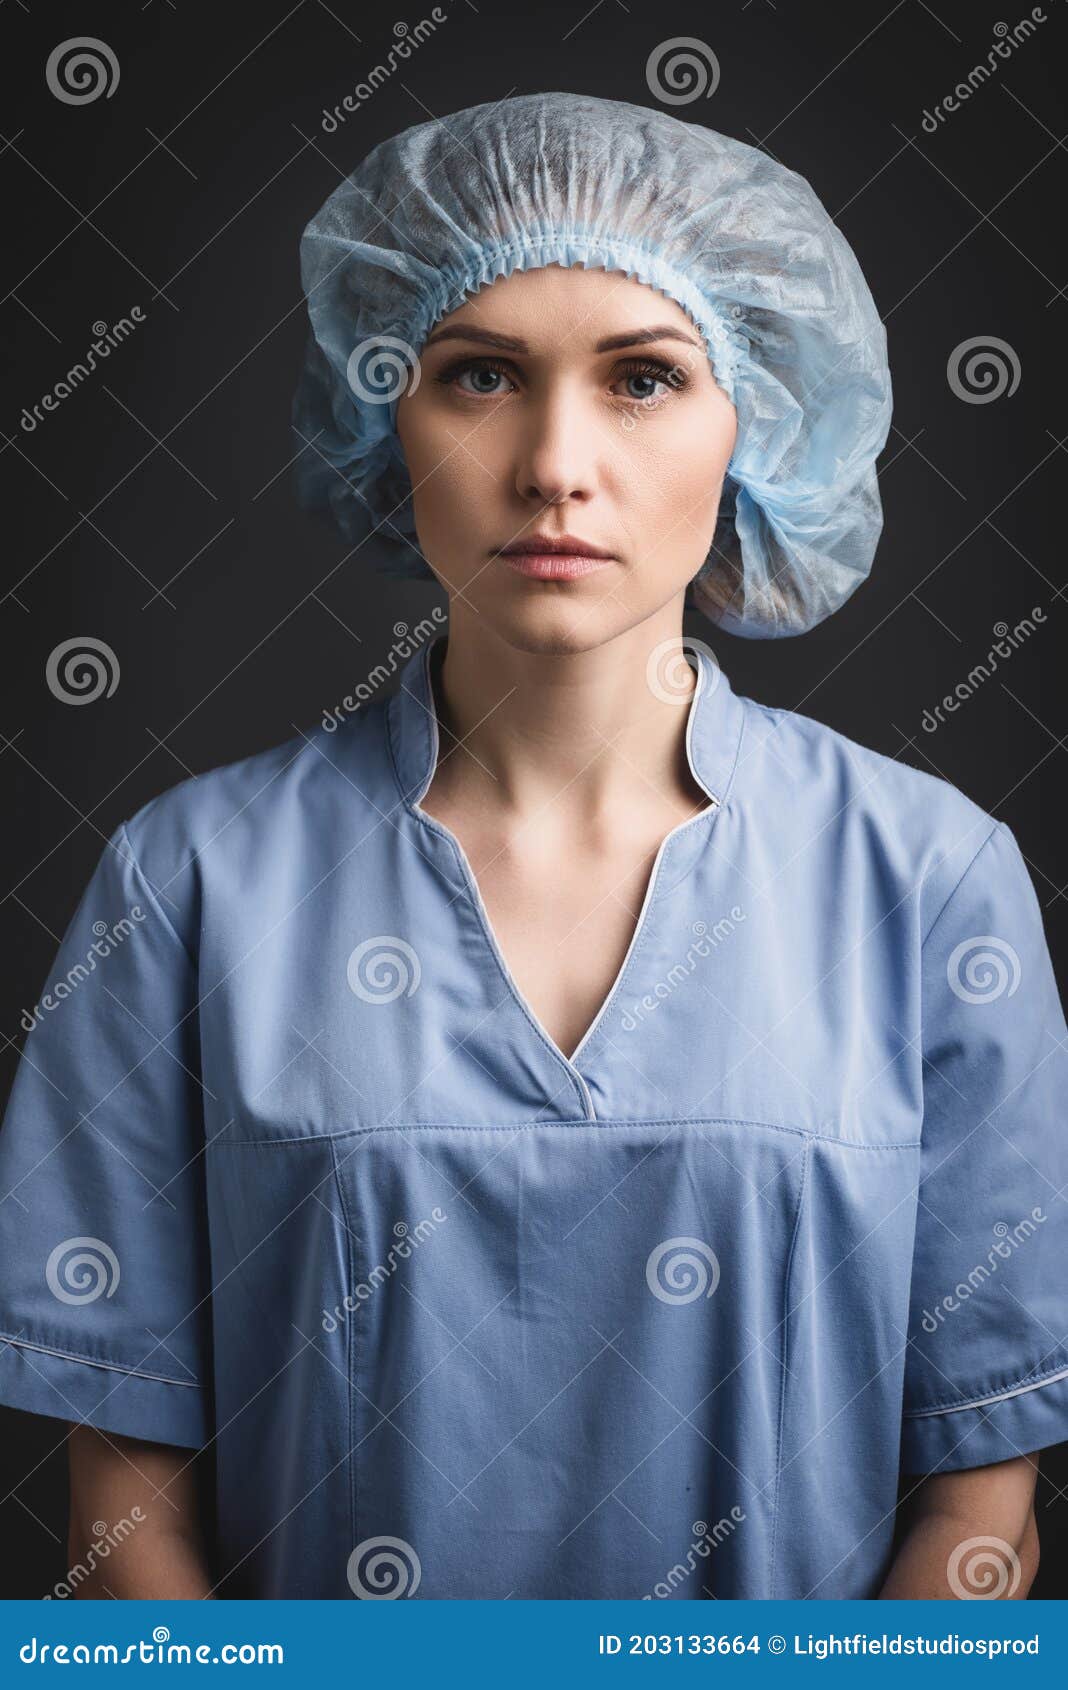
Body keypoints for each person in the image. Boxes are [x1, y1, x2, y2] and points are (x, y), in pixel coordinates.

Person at [0, 91, 1064, 1601]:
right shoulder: (190, 885)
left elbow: (984, 1487)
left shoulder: (931, 882)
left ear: (757, 413)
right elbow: (123, 1495)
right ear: (389, 411)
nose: (556, 460)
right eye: (482, 373)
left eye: (644, 378)